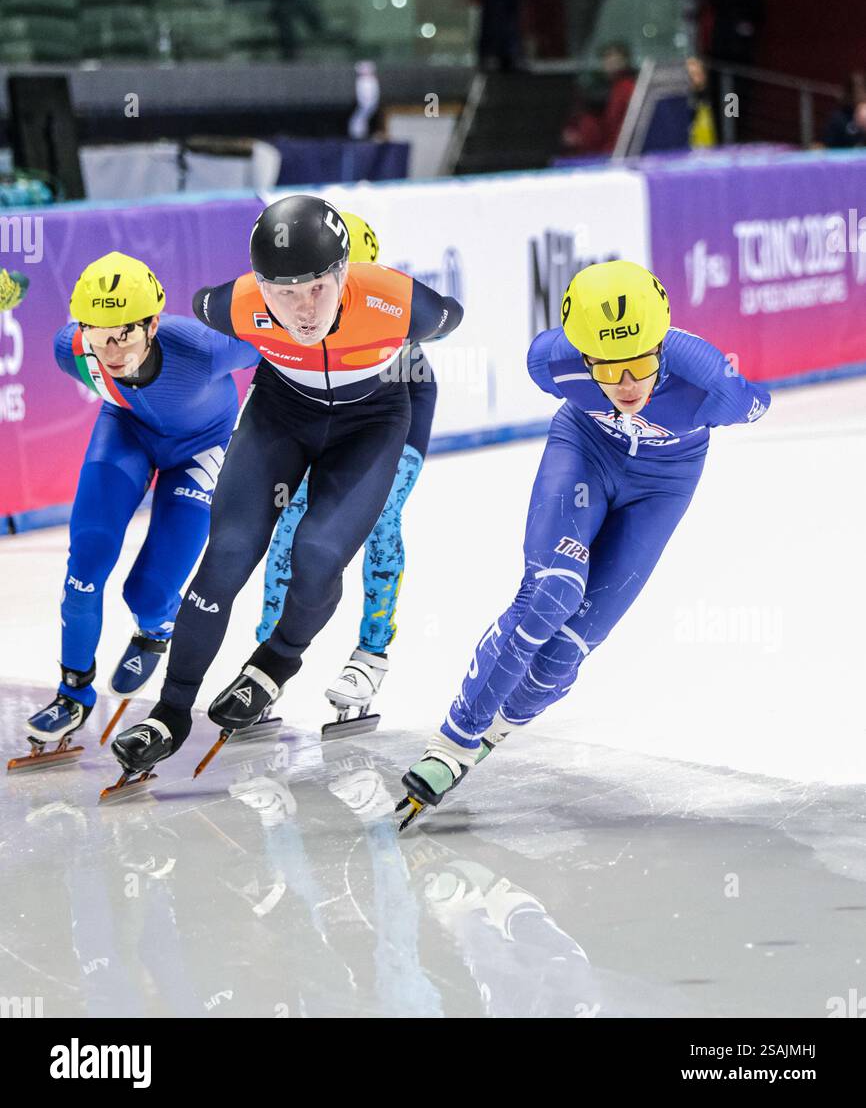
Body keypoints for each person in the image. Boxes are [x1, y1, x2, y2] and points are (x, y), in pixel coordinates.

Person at [396, 259, 771, 828]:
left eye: (642, 363)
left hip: (661, 488)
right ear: (582, 355)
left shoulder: (710, 383)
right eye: (606, 367)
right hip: (585, 455)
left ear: (662, 346)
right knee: (549, 594)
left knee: (566, 650)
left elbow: (758, 401)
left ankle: (496, 730)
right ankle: (453, 741)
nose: (626, 385)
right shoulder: (552, 361)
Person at [110, 195, 463, 788]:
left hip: (369, 425)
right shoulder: (232, 305)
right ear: (259, 285)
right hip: (280, 417)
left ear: (345, 273)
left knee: (319, 553)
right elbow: (189, 324)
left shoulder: (398, 302)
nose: (303, 309)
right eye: (284, 292)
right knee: (225, 555)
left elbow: (449, 316)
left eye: (319, 288)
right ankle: (171, 710)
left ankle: (276, 661)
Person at [9, 253, 260, 770]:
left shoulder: (203, 348)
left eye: (122, 335)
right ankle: (72, 692)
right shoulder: (71, 349)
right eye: (97, 335)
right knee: (87, 563)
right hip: (125, 434)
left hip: (201, 448)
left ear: (151, 323)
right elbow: (93, 349)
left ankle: (156, 628)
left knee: (147, 590)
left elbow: (279, 338)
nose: (110, 350)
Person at [255, 211, 437, 735]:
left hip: (396, 416)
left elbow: (417, 382)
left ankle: (372, 654)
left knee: (379, 517)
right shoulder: (297, 313)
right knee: (289, 529)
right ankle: (268, 657)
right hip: (326, 422)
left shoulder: (385, 313)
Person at [702, 0, 765, 138]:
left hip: (741, 58)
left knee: (738, 98)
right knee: (728, 97)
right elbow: (720, 1)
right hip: (723, 59)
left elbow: (758, 11)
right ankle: (728, 135)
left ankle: (736, 132)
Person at [560, 43, 636, 155]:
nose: (611, 62)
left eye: (615, 58)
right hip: (604, 151)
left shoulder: (627, 88)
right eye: (607, 58)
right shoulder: (603, 89)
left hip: (616, 152)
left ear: (625, 61)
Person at [823, 74, 866, 148]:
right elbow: (827, 145)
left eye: (861, 90)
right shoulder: (838, 118)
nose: (859, 95)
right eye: (855, 91)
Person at [686, 55, 717, 148]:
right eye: (691, 75)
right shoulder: (685, 96)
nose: (694, 78)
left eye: (697, 73)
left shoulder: (715, 93)